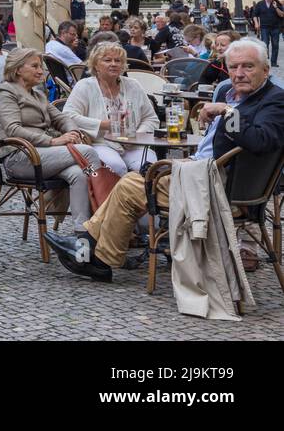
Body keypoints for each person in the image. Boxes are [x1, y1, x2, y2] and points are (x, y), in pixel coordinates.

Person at [45, 37, 284, 281]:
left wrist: (228, 112)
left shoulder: (273, 99)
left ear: (265, 70)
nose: (239, 73)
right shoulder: (227, 91)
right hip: (199, 174)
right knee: (132, 181)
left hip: (219, 188)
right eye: (233, 67)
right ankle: (93, 253)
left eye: (248, 66)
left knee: (129, 185)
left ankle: (92, 254)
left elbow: (260, 142)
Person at [0, 47, 102, 233]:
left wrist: (73, 132)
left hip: (45, 156)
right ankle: (103, 222)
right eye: (35, 66)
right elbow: (13, 130)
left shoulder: (37, 94)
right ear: (18, 69)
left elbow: (62, 118)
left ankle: (83, 232)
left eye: (41, 66)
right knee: (89, 153)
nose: (40, 70)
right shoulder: (5, 93)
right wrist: (52, 141)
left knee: (79, 173)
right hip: (20, 157)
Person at [63, 41, 160, 175]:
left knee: (149, 167)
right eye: (107, 60)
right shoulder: (85, 86)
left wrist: (137, 135)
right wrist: (103, 125)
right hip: (101, 143)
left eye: (118, 60)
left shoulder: (133, 85)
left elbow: (150, 118)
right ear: (96, 65)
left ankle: (141, 196)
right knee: (116, 167)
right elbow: (68, 116)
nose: (114, 64)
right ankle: (115, 196)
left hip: (133, 144)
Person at [248, 0, 283, 67]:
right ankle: (265, 62)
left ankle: (274, 62)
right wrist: (256, 23)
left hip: (275, 28)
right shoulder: (260, 4)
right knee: (265, 44)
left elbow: (282, 15)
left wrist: (276, 7)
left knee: (275, 45)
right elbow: (254, 14)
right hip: (264, 27)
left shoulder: (276, 3)